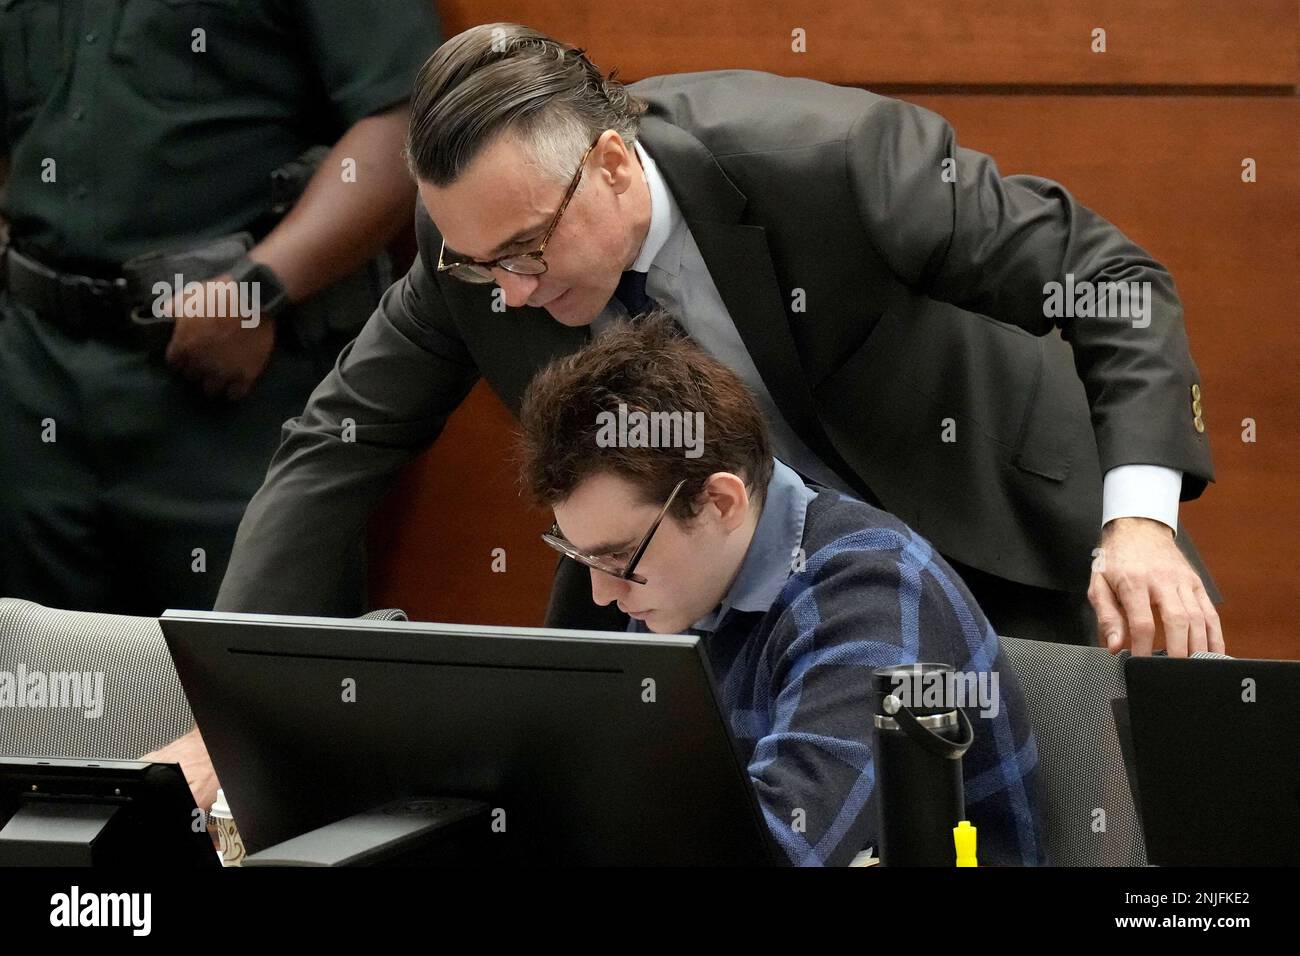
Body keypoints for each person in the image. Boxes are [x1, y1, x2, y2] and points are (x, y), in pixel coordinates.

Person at [166, 22, 1226, 809]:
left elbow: (1111, 278)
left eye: (528, 252)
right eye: (477, 265)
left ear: (615, 166)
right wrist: (236, 698)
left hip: (997, 541)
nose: (512, 293)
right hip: (703, 596)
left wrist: (1137, 517)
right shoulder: (474, 264)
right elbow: (332, 448)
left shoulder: (823, 156)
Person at [516, 312, 1047, 866]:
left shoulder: (875, 594)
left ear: (721, 502)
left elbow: (783, 850)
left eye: (620, 556)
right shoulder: (676, 585)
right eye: (582, 557)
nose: (601, 593)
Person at [0, 0, 440, 615]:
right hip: (34, 379)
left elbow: (406, 120)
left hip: (237, 382)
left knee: (246, 675)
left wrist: (260, 287)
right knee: (38, 683)